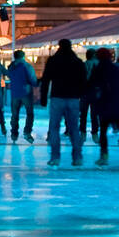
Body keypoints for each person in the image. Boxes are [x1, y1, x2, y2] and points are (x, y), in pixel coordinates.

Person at [39, 37, 87, 167]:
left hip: (57, 97)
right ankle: (77, 157)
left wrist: (43, 97)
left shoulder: (53, 61)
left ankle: (55, 157)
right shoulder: (77, 62)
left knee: (54, 128)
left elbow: (46, 79)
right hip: (73, 98)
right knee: (74, 129)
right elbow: (83, 81)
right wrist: (82, 97)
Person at [88, 47, 119, 166]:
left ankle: (104, 155)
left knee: (103, 131)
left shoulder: (98, 70)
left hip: (105, 104)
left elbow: (91, 85)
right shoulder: (117, 69)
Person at [7, 49, 37, 143]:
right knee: (30, 113)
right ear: (23, 56)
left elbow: (10, 76)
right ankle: (27, 132)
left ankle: (14, 133)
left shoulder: (11, 67)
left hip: (15, 93)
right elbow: (33, 79)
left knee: (15, 114)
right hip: (26, 93)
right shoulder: (27, 66)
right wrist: (36, 83)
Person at [80, 49, 100, 142]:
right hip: (95, 92)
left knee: (83, 114)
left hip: (84, 92)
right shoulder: (98, 64)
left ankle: (83, 133)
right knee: (94, 114)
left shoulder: (84, 64)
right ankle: (94, 133)